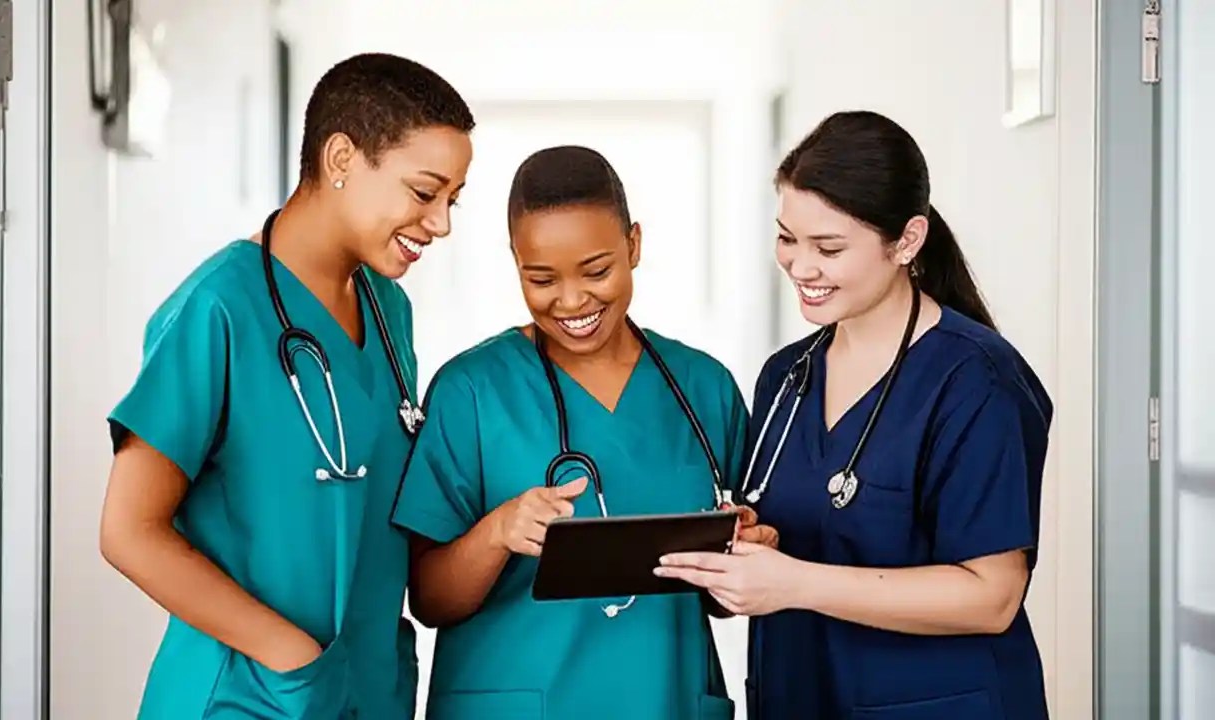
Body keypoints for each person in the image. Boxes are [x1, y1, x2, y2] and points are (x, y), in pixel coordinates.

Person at [98, 53, 474, 719]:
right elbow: (129, 531)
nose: (442, 223)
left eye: (452, 200)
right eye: (424, 193)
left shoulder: (390, 311)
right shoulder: (219, 309)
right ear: (340, 159)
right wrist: (291, 657)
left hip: (362, 693)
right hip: (248, 697)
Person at [655, 110, 1053, 719]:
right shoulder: (787, 377)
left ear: (907, 241)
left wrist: (793, 581)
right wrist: (750, 539)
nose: (800, 266)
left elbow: (992, 595)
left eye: (829, 247)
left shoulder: (975, 381)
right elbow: (812, 525)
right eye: (787, 238)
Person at [390, 145, 771, 720]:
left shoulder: (703, 389)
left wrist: (745, 551)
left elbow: (723, 601)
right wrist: (498, 532)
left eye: (596, 271)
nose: (571, 301)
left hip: (664, 700)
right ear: (515, 262)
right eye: (540, 278)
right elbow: (430, 599)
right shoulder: (471, 391)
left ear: (634, 246)